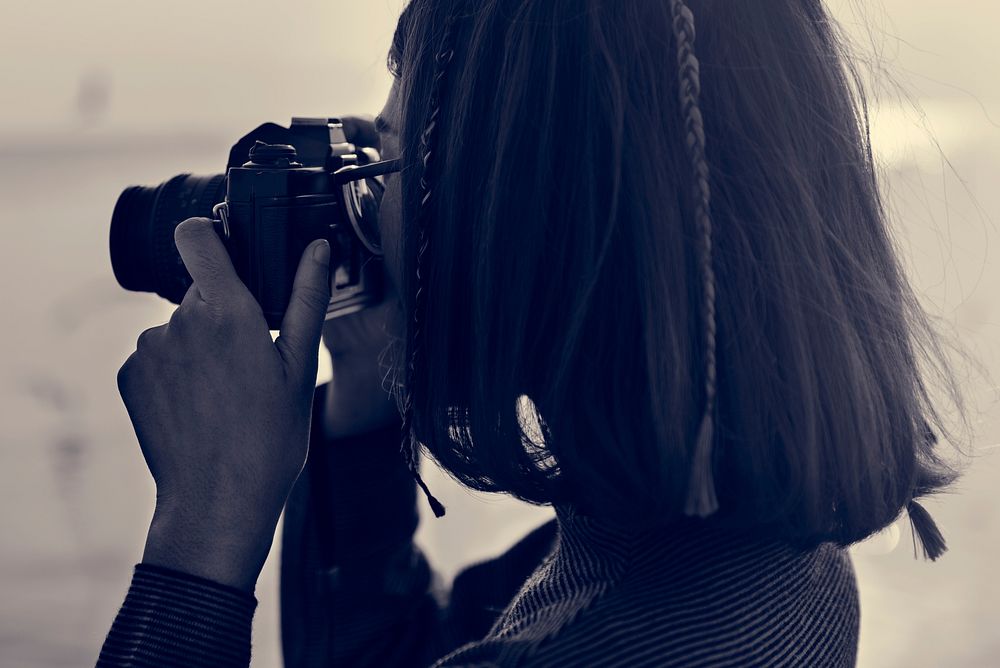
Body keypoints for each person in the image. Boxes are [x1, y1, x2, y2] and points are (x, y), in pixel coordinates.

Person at [96, 0, 970, 666]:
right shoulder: (748, 555)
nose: (370, 204)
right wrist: (364, 382)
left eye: (388, 161)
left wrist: (202, 536)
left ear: (511, 224)